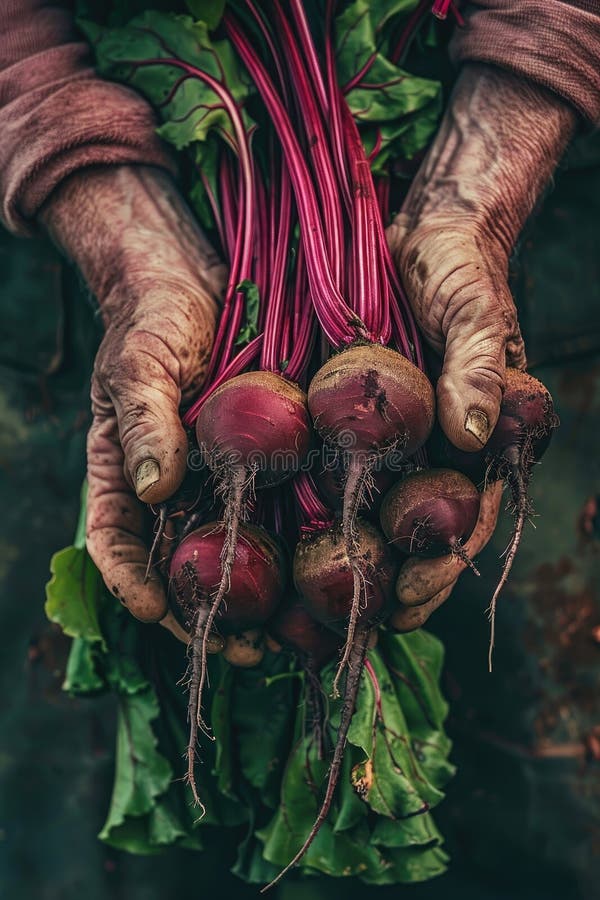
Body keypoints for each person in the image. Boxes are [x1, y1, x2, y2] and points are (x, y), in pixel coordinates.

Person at [0, 2, 598, 898]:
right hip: (74, 267)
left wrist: (480, 183)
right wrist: (122, 237)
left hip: (533, 222)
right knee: (68, 803)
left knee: (545, 777)